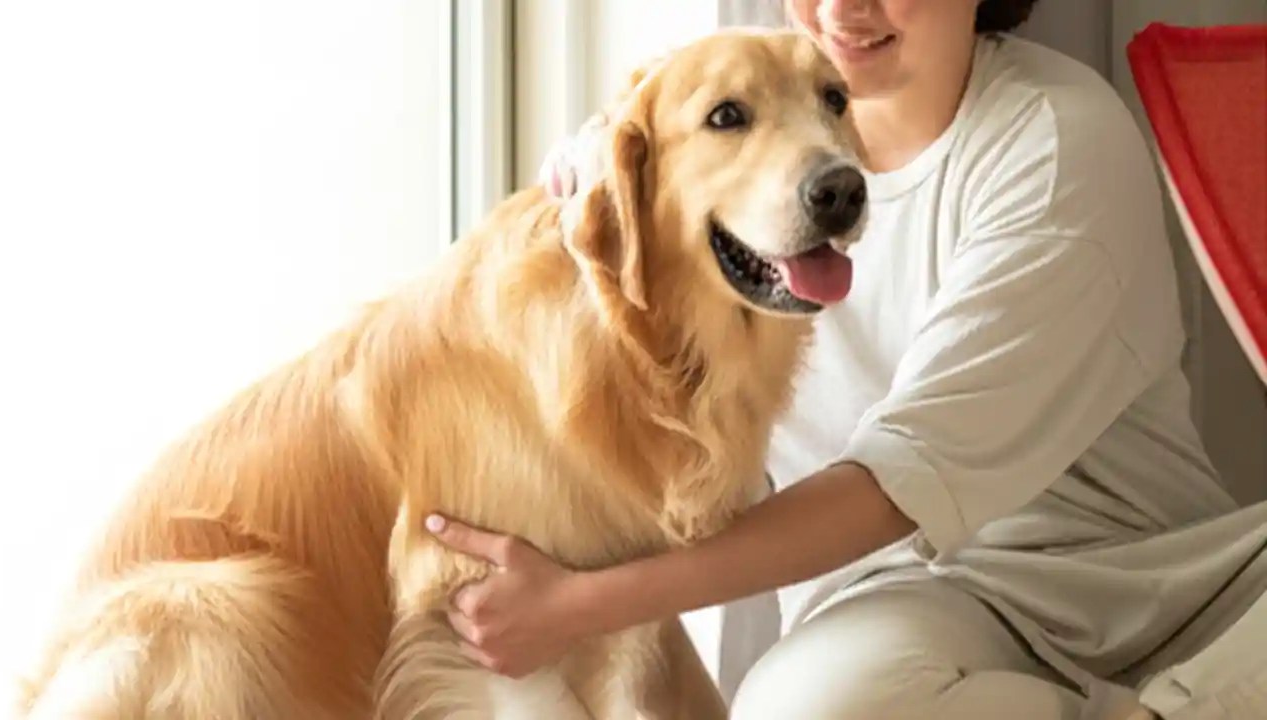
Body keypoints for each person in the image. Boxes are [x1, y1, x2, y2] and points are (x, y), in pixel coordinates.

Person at [423, 1, 1267, 718]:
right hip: (911, 602)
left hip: (1158, 589)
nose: (841, 6)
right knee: (802, 708)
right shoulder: (722, 139)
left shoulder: (1052, 144)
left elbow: (893, 484)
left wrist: (578, 607)